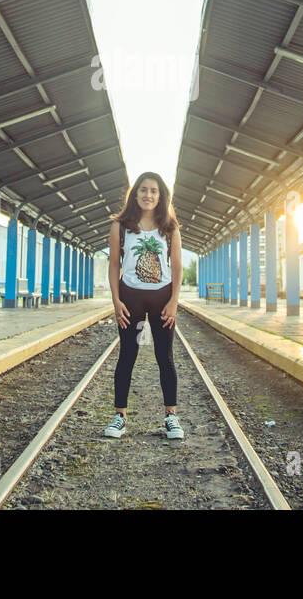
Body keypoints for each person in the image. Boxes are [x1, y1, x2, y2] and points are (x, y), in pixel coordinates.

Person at [104, 171, 183, 440]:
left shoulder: (169, 227)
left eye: (154, 191)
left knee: (165, 358)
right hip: (130, 298)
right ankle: (119, 416)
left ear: (161, 196)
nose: (148, 195)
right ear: (135, 194)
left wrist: (173, 301)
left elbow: (177, 267)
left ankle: (171, 416)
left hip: (162, 298)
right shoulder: (120, 226)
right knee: (127, 355)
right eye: (143, 190)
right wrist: (116, 301)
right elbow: (114, 264)